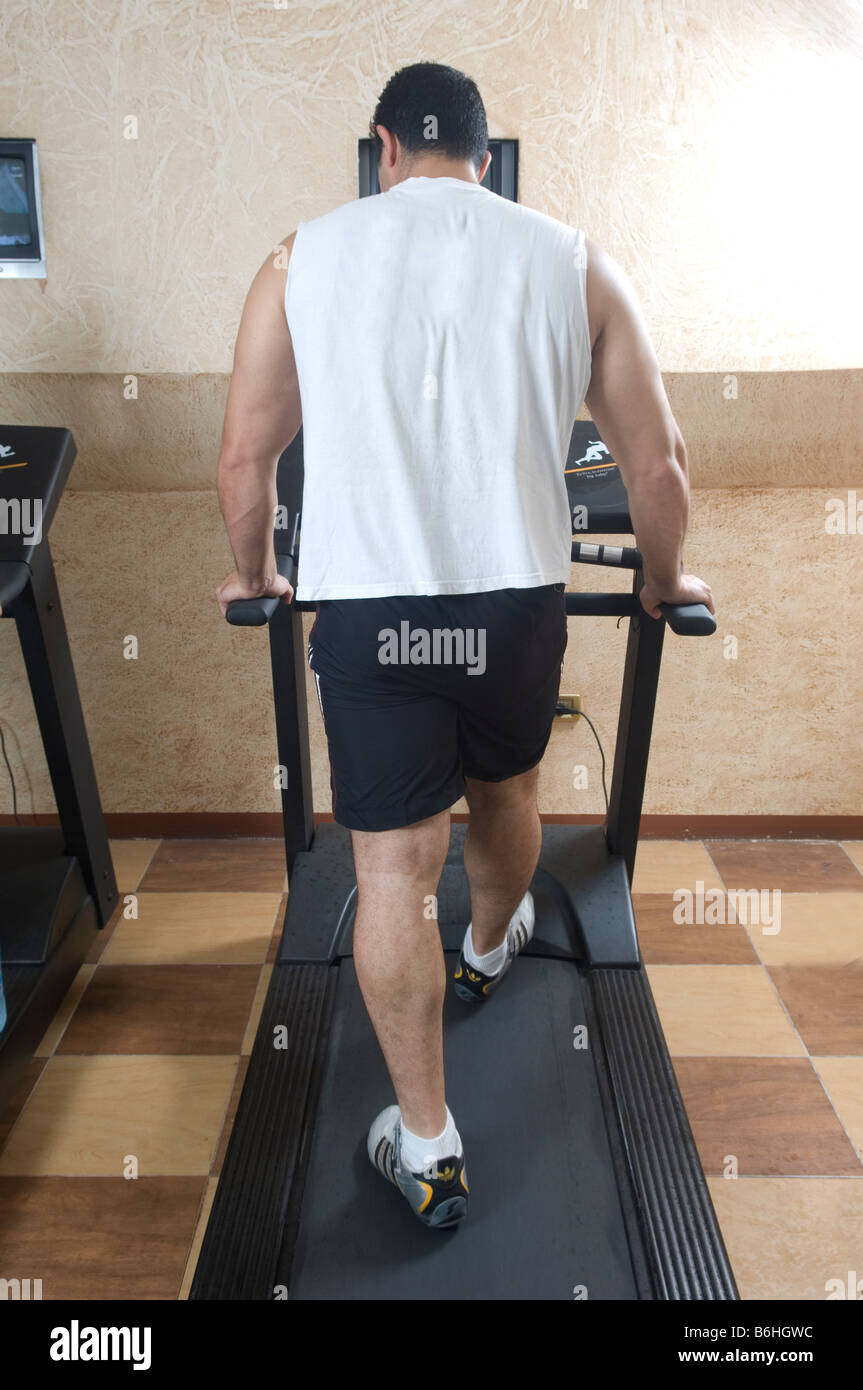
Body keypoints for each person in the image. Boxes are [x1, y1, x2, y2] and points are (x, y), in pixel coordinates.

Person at [215, 62, 714, 1231]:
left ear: (383, 148)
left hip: (371, 612)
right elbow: (658, 464)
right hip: (513, 605)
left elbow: (244, 462)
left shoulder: (300, 257)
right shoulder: (572, 257)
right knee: (509, 786)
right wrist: (659, 578)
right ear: (482, 159)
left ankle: (429, 1146)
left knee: (389, 870)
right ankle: (490, 945)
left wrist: (256, 579)